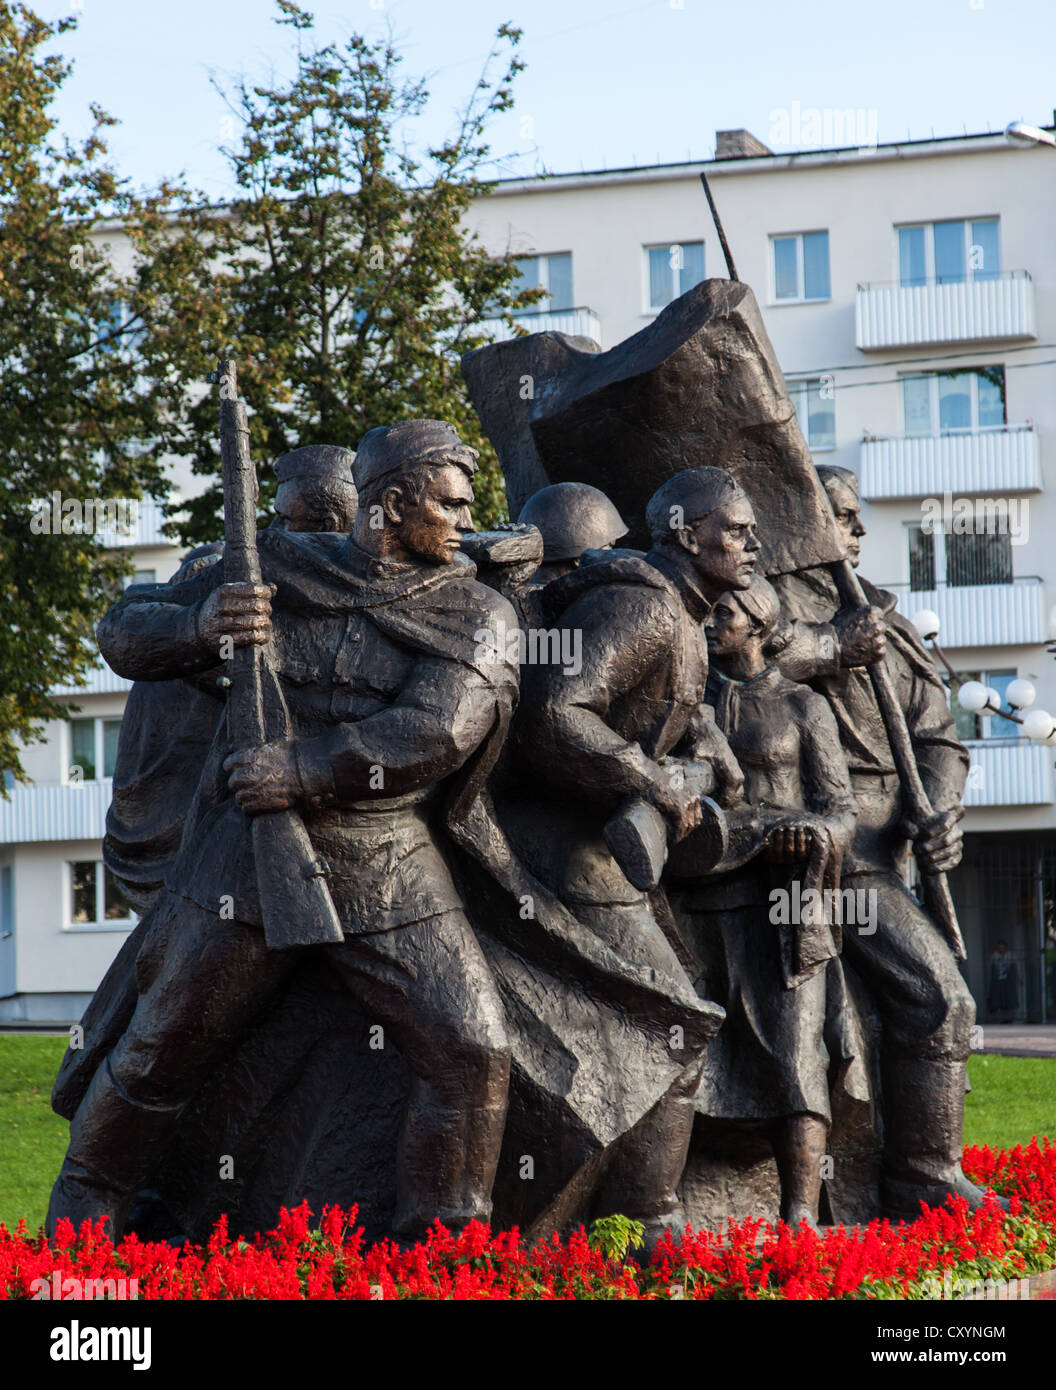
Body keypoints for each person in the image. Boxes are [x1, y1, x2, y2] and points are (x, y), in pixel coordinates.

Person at [47, 420, 518, 1245]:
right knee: (161, 1045)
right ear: (391, 502)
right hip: (248, 860)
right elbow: (123, 633)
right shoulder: (276, 573)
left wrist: (309, 769)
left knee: (471, 1051)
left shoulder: (476, 612)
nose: (465, 518)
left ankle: (443, 1247)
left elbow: (439, 729)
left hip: (387, 861)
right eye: (449, 503)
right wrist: (201, 629)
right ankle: (84, 1211)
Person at [508, 466, 755, 1248]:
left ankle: (628, 1218)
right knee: (676, 1025)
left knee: (671, 1020)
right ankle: (642, 1224)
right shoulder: (644, 608)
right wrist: (653, 778)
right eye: (737, 529)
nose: (753, 544)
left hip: (606, 855)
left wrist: (697, 762)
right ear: (688, 534)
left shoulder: (681, 619)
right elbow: (556, 713)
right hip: (562, 854)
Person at [772, 464, 988, 1220]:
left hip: (892, 844)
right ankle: (922, 1179)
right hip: (829, 856)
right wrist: (832, 646)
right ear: (800, 523)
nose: (858, 532)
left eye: (860, 518)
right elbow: (736, 670)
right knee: (942, 999)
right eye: (842, 516)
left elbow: (940, 740)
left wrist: (940, 813)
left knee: (936, 999)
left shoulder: (891, 624)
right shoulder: (765, 610)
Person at [671, 574, 857, 1230]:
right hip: (699, 902)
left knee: (795, 1053)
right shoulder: (685, 697)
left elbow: (840, 810)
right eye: (709, 612)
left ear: (757, 621)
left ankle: (801, 1215)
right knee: (683, 1053)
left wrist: (817, 834)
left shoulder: (804, 706)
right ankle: (666, 1207)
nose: (712, 622)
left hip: (783, 909)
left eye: (725, 612)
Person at [987, 941, 1019, 1023]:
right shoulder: (994, 956)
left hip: (1008, 981)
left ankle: (1009, 1018)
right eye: (1000, 947)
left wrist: (1018, 978)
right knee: (998, 999)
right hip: (998, 981)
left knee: (1009, 999)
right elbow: (991, 967)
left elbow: (1016, 966)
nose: (1001, 949)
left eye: (1003, 947)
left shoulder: (1011, 956)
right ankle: (1000, 1018)